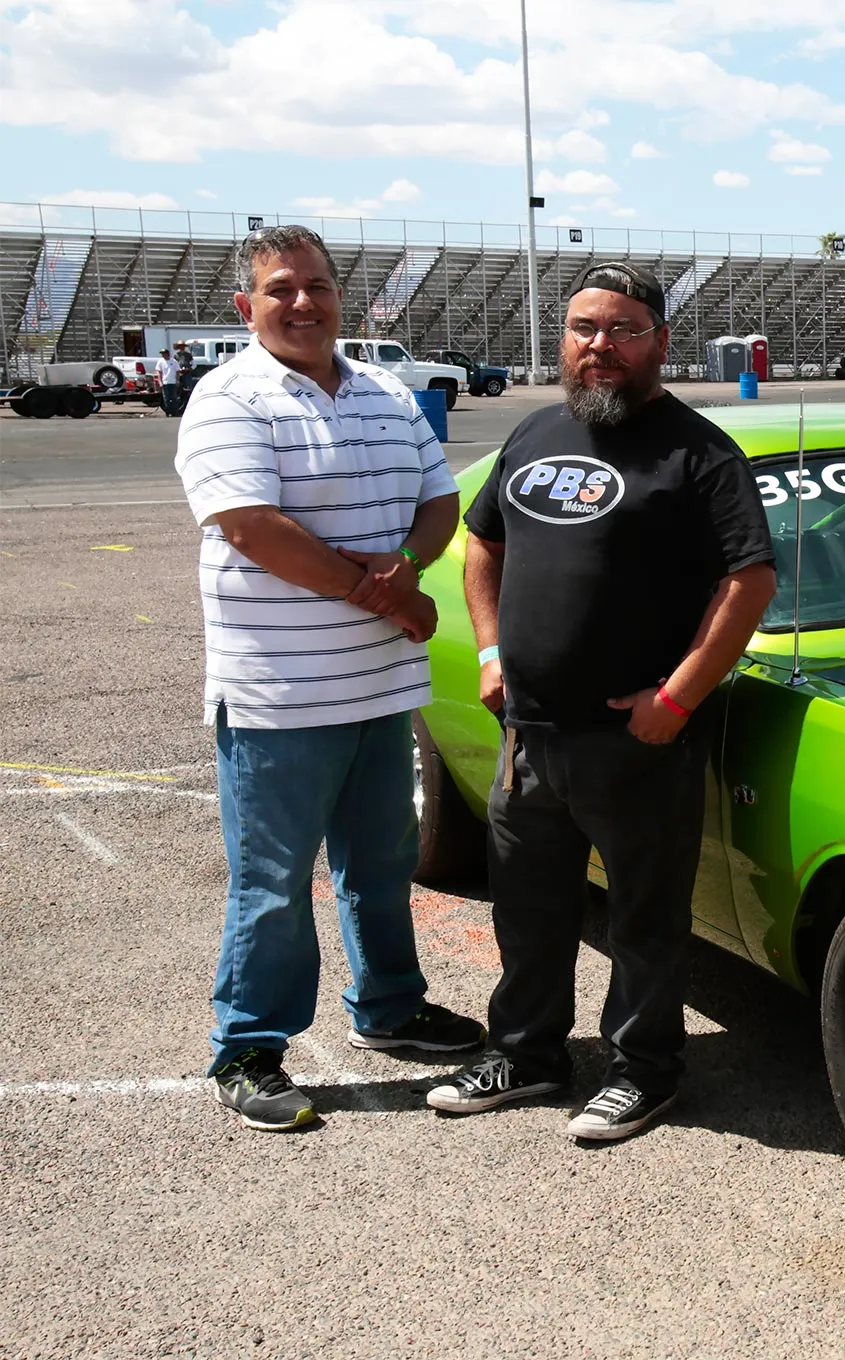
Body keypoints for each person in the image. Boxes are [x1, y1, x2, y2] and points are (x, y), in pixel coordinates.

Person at [429, 261, 777, 1143]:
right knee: (530, 909)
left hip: (636, 739)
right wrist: (494, 650)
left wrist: (679, 695)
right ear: (564, 340)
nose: (600, 347)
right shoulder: (536, 433)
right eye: (585, 329)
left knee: (644, 919)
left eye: (623, 330)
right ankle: (528, 1054)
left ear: (658, 341)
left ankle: (644, 1071)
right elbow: (481, 545)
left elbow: (749, 581)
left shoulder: (698, 454)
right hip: (529, 734)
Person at [173, 225, 484, 1132]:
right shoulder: (226, 398)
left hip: (379, 687)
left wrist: (397, 566)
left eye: (317, 285)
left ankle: (390, 1008)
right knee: (272, 881)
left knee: (382, 863)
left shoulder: (387, 391)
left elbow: (439, 503)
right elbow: (250, 526)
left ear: (339, 296)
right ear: (247, 307)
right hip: (279, 693)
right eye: (280, 290)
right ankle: (248, 1049)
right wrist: (380, 592)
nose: (302, 302)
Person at [155, 348, 180, 414]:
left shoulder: (173, 361)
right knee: (166, 398)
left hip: (173, 382)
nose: (163, 355)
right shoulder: (160, 361)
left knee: (174, 397)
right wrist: (160, 381)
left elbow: (177, 371)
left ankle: (175, 411)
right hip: (165, 382)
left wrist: (177, 380)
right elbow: (159, 372)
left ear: (167, 354)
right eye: (162, 354)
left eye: (164, 353)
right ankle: (168, 412)